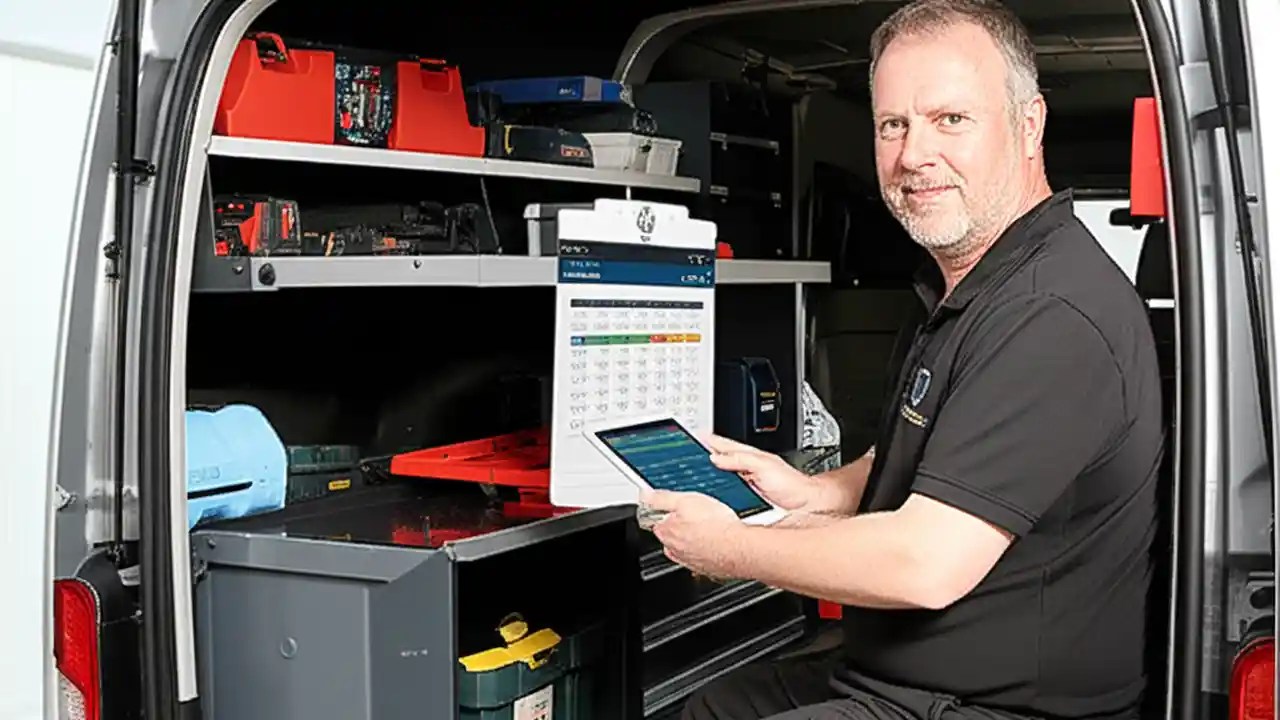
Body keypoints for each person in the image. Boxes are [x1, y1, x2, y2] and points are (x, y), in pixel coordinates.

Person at [641, 1, 1165, 719]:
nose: (914, 154)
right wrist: (817, 493)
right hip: (894, 678)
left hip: (992, 707)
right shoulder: (971, 291)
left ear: (1029, 123)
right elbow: (940, 450)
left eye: (951, 119)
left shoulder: (1053, 316)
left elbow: (924, 563)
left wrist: (727, 548)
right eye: (894, 124)